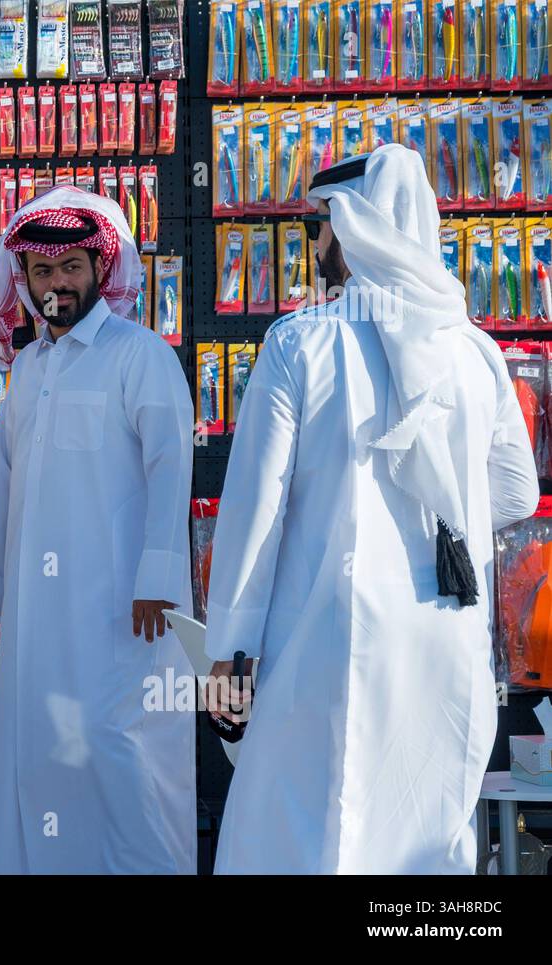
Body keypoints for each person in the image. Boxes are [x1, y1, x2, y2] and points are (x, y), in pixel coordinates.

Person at [203, 144, 539, 874]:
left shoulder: (299, 343)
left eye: (322, 224)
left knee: (306, 837)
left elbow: (253, 520)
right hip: (447, 645)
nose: (317, 243)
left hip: (323, 647)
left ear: (356, 224)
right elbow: (515, 491)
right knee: (422, 845)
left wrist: (228, 656)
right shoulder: (475, 349)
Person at [0, 186, 197, 874]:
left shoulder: (138, 353)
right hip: (36, 613)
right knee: (38, 748)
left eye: (71, 268)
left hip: (123, 609)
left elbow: (173, 464)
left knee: (124, 755)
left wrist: (159, 577)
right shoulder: (29, 368)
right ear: (23, 281)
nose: (57, 282)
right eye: (42, 271)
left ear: (98, 270)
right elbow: (0, 484)